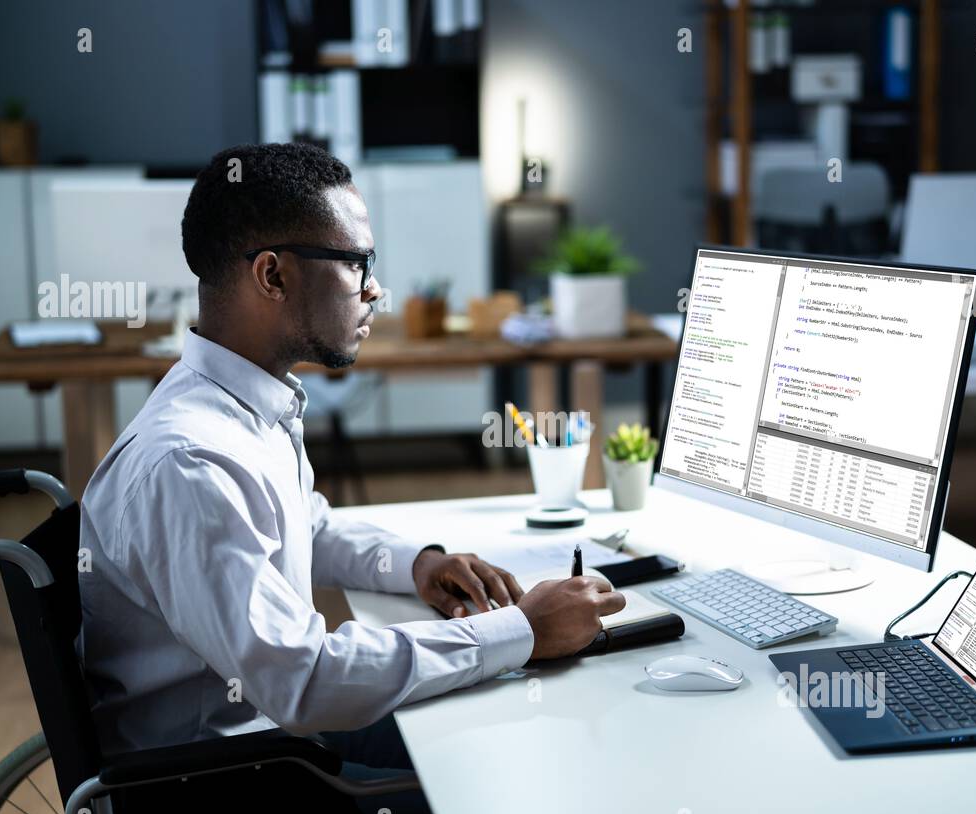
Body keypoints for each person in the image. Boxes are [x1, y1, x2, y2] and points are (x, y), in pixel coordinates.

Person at [77, 143, 624, 773]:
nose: (375, 288)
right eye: (357, 262)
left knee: (502, 720)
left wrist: (419, 565)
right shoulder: (189, 463)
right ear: (273, 276)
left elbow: (303, 526)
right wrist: (522, 631)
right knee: (505, 767)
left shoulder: (237, 404)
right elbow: (305, 680)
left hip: (275, 741)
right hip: (230, 785)